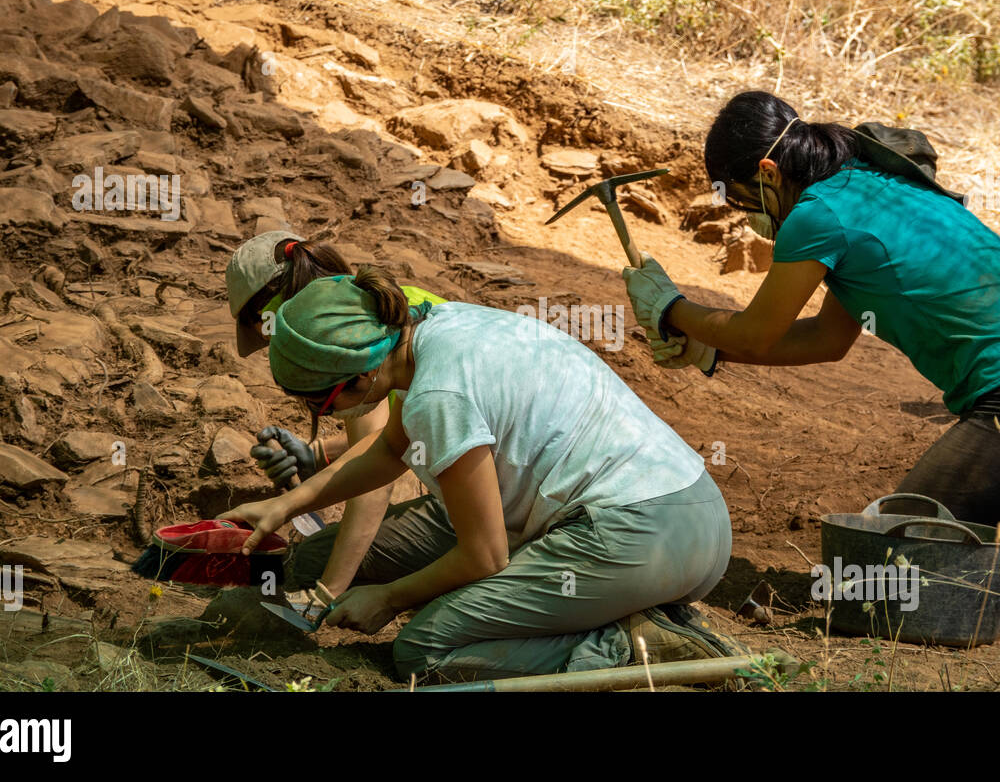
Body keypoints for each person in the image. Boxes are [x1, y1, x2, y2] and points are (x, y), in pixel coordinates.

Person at [218, 270, 740, 681]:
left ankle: (630, 645)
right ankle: (611, 612)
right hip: (679, 515)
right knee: (320, 563)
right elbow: (391, 450)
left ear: (360, 376)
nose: (329, 418)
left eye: (322, 403)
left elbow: (485, 555)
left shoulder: (438, 395)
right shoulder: (433, 330)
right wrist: (285, 506)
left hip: (642, 532)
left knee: (422, 651)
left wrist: (390, 597)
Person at [623, 90, 1000, 528]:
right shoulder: (861, 182)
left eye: (742, 197)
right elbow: (828, 340)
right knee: (939, 541)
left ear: (768, 172)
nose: (746, 214)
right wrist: (713, 351)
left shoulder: (817, 215)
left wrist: (671, 308)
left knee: (898, 551)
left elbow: (755, 331)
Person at [225, 230, 444, 597]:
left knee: (310, 562)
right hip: (501, 473)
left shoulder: (342, 345)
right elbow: (396, 433)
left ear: (273, 314)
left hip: (505, 499)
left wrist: (328, 591)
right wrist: (318, 454)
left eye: (267, 337)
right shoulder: (373, 301)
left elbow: (377, 480)